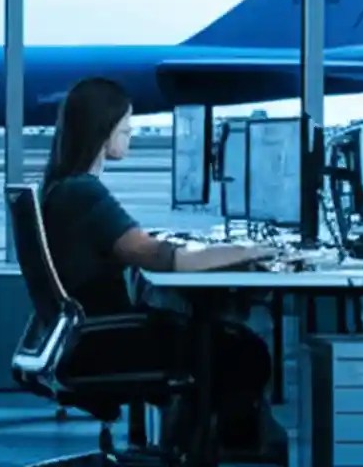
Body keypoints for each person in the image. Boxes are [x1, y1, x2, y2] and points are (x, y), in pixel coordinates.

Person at [38, 77, 281, 458]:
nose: (130, 136)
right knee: (244, 352)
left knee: (215, 341)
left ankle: (182, 448)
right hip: (106, 343)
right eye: (126, 129)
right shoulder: (82, 192)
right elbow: (167, 259)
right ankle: (195, 452)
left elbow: (132, 245)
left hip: (90, 338)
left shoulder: (63, 187)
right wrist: (248, 250)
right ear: (104, 132)